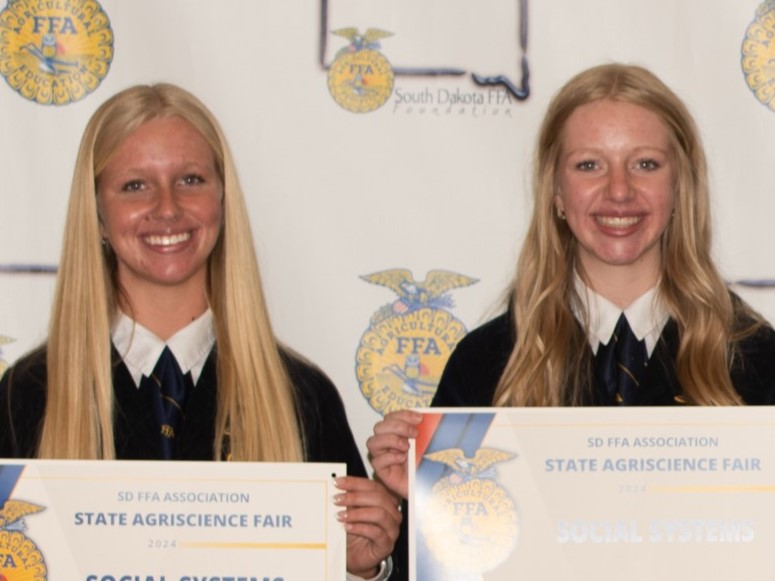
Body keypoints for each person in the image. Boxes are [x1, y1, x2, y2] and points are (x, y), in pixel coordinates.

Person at [0, 83, 401, 580]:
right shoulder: (27, 398)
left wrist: (364, 570)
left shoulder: (301, 396)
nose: (167, 208)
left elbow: (359, 562)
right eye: (134, 186)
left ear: (223, 201)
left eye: (190, 179)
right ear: (98, 214)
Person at [368, 62, 775, 501]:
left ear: (680, 186)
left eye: (644, 163)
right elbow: (451, 563)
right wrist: (412, 511)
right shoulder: (485, 366)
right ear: (556, 192)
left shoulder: (756, 363)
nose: (619, 190)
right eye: (588, 165)